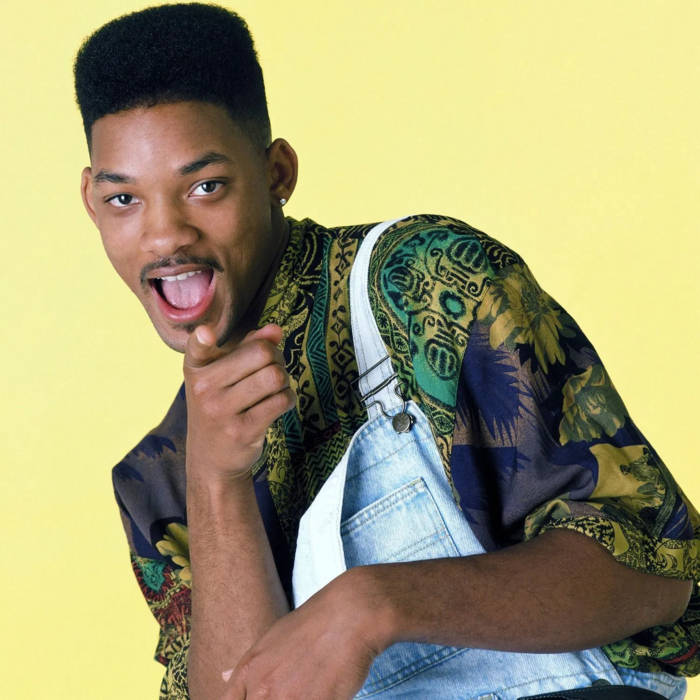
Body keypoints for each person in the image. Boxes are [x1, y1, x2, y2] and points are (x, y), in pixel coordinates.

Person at [74, 4, 699, 699]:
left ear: (277, 172)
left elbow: (659, 574)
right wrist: (216, 483)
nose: (165, 235)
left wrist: (376, 604)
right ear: (91, 202)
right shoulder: (160, 476)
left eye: (205, 186)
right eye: (124, 198)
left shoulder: (424, 285)